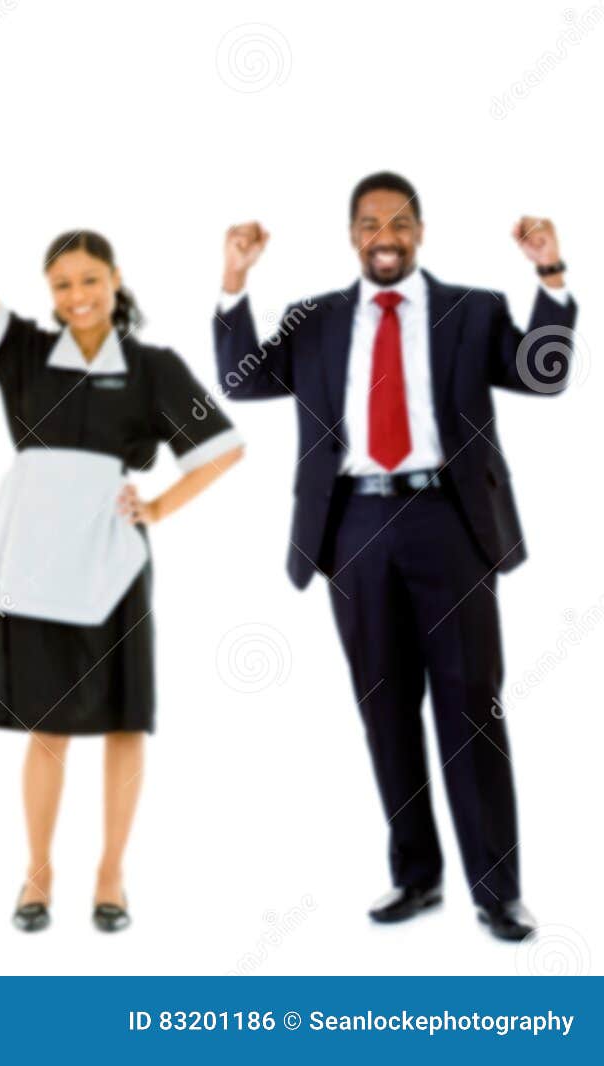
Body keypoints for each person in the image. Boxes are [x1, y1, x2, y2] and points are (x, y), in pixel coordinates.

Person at [213, 172, 575, 942]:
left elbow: (546, 376)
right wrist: (235, 282)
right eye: (371, 223)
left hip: (450, 521)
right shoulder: (314, 318)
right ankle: (416, 877)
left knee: (470, 708)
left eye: (401, 223)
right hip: (353, 528)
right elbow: (242, 382)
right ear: (352, 235)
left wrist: (549, 274)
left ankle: (497, 891)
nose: (386, 236)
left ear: (420, 232)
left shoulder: (472, 311)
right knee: (385, 708)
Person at [0, 133, 244, 933]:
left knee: (122, 720)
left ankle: (110, 878)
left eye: (91, 279)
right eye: (63, 282)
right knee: (47, 723)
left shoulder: (153, 366)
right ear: (50, 289)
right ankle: (37, 879)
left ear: (115, 282)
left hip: (111, 568)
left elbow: (224, 449)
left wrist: (163, 508)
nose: (77, 294)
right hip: (33, 564)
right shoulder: (26, 353)